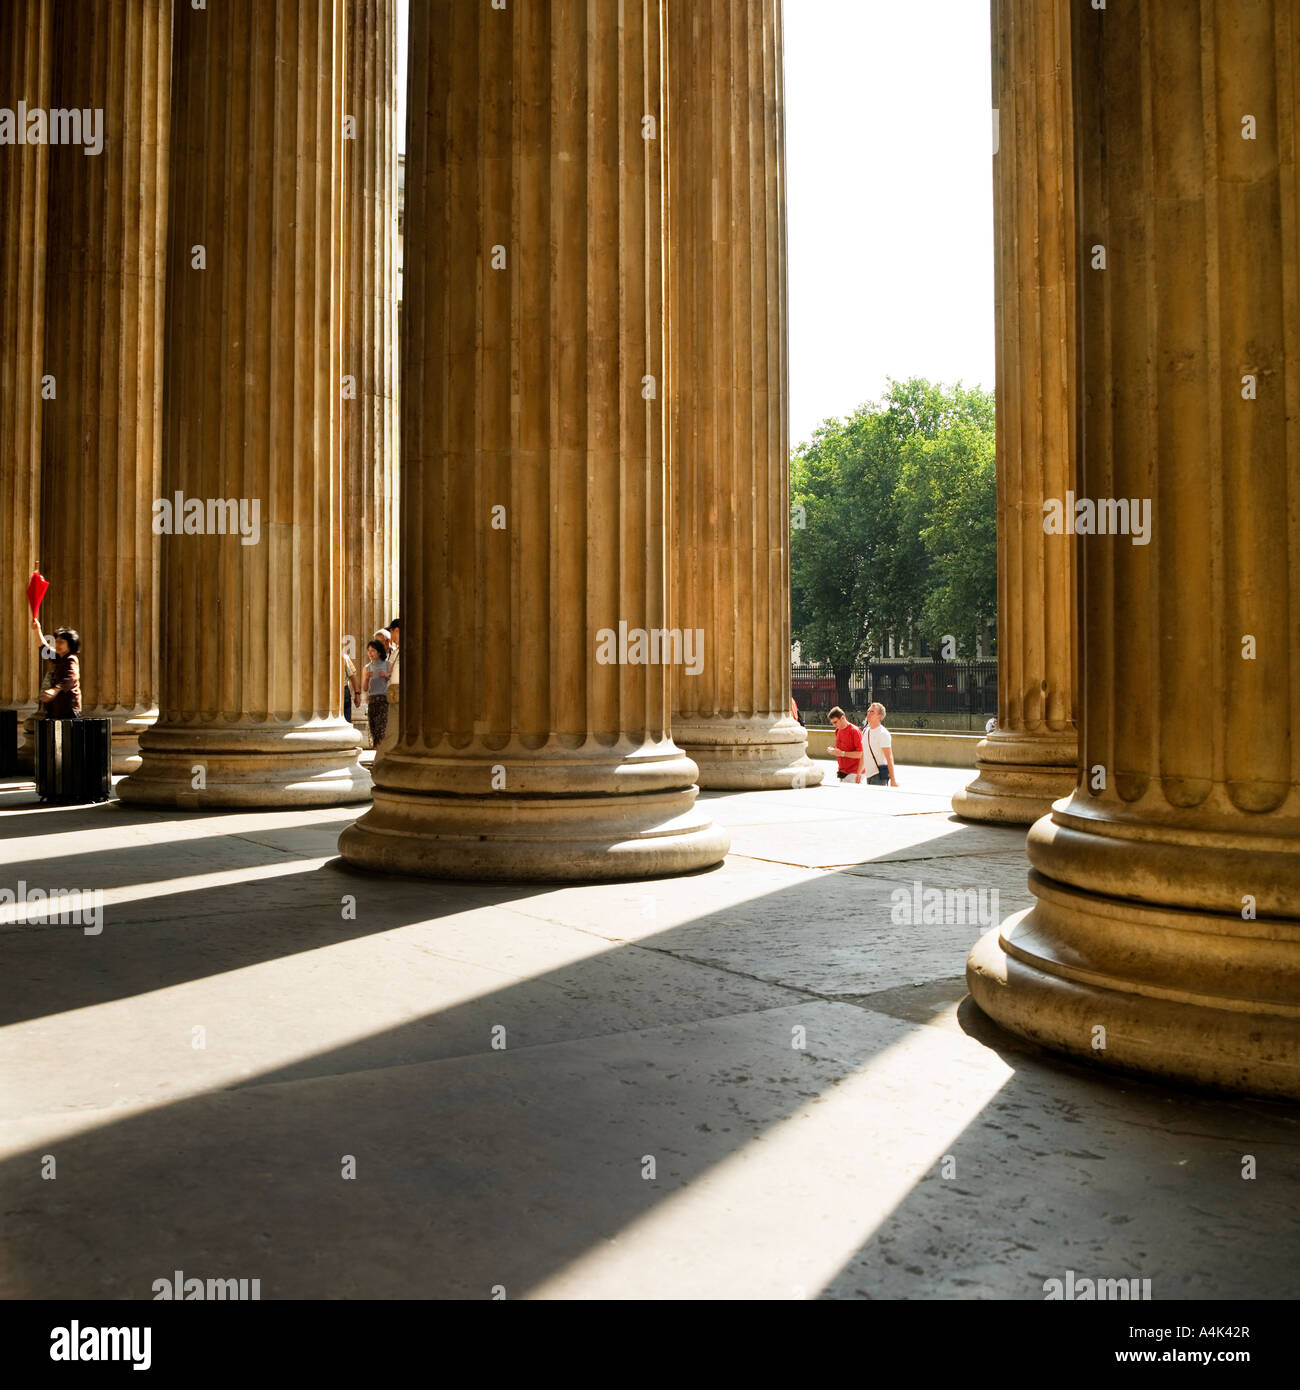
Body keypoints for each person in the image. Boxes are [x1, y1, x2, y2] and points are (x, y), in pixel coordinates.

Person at [31, 617, 82, 719]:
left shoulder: (71, 659)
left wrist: (54, 690)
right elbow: (44, 648)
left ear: (70, 644)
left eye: (61, 642)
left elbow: (70, 678)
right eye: (56, 641)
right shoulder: (59, 657)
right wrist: (38, 630)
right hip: (57, 708)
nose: (57, 644)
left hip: (69, 708)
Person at [362, 638, 390, 748]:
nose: (370, 653)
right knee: (374, 730)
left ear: (379, 651)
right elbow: (364, 688)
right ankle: (377, 754)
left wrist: (386, 676)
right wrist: (367, 679)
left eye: (373, 650)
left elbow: (394, 681)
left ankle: (381, 754)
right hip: (372, 701)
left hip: (384, 701)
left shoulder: (388, 664)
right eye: (368, 650)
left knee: (382, 729)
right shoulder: (367, 668)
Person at [862, 702, 898, 787]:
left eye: (872, 712)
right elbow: (864, 753)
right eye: (868, 711)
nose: (869, 714)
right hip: (868, 775)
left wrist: (893, 779)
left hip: (879, 775)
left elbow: (889, 758)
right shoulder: (865, 731)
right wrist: (859, 772)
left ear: (880, 716)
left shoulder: (883, 733)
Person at [828, 706, 864, 783]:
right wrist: (834, 750)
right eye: (832, 723)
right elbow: (842, 749)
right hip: (843, 772)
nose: (834, 725)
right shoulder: (837, 730)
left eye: (835, 722)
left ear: (843, 718)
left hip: (854, 773)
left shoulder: (854, 731)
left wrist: (842, 753)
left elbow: (860, 754)